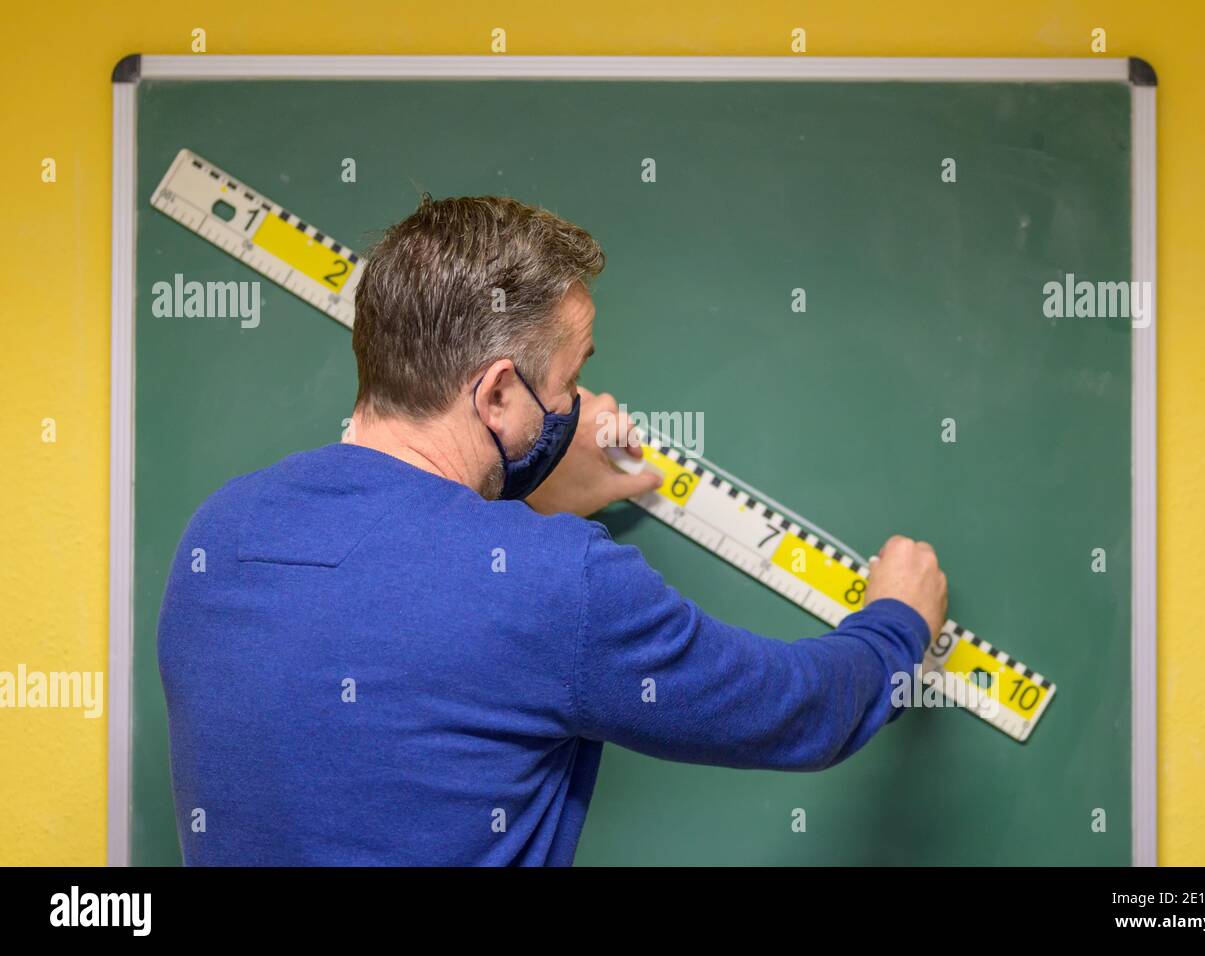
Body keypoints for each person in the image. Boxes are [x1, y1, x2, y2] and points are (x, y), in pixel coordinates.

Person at [157, 195, 948, 866]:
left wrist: (526, 511)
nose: (574, 408)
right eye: (568, 381)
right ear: (498, 394)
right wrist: (894, 624)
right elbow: (796, 712)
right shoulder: (561, 583)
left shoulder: (220, 534)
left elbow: (397, 617)